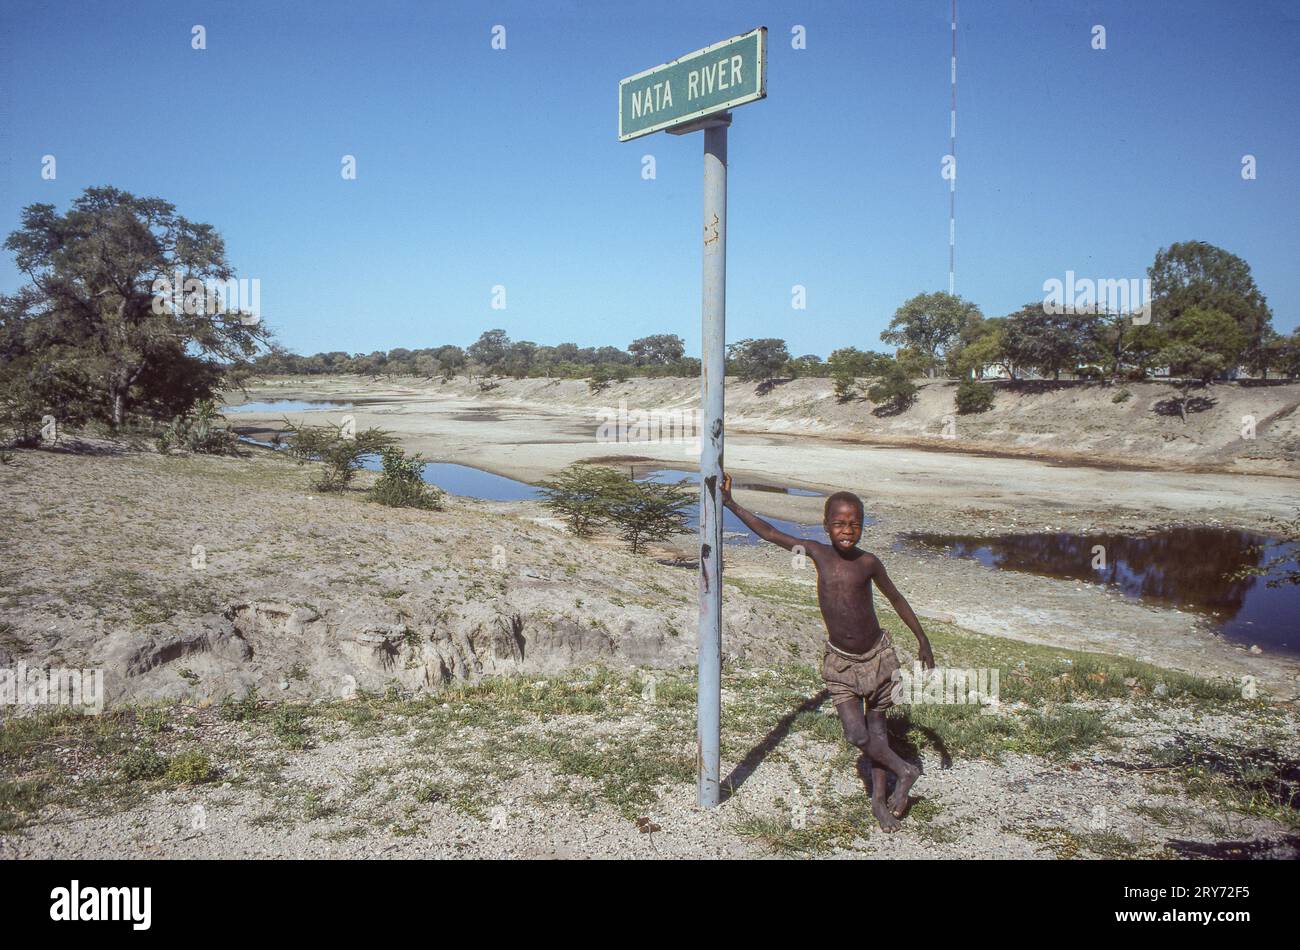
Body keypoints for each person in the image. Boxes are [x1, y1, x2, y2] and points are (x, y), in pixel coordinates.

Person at [720, 472, 935, 831]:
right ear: (825, 525)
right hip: (840, 663)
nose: (847, 531)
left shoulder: (869, 563)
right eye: (839, 523)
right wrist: (730, 503)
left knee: (877, 734)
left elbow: (896, 599)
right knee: (857, 734)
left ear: (863, 526)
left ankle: (880, 803)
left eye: (854, 524)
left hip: (878, 658)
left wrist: (923, 640)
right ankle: (905, 770)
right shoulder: (817, 553)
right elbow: (772, 534)